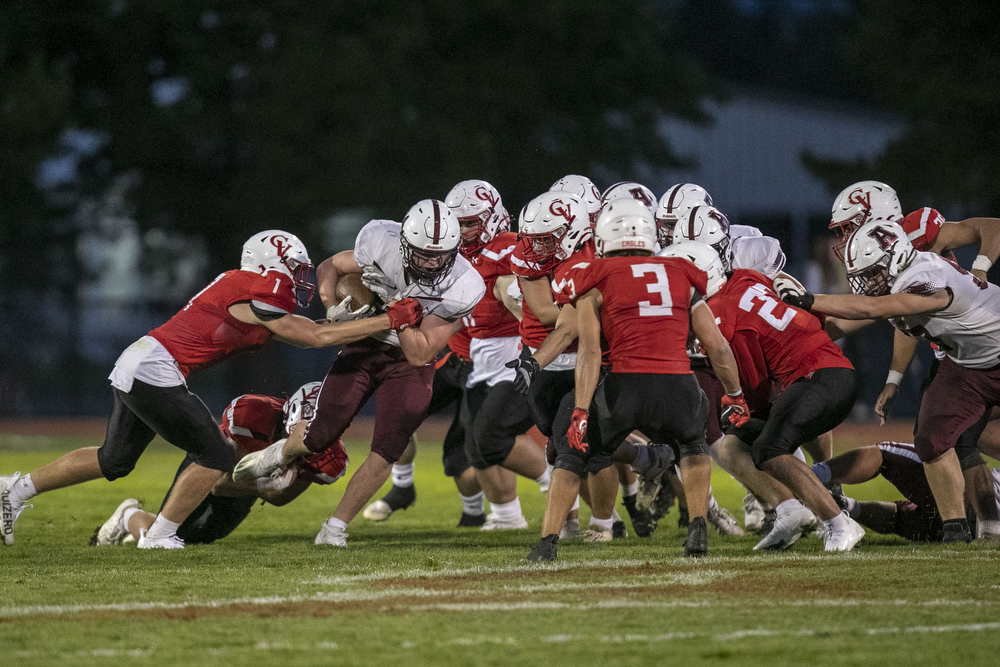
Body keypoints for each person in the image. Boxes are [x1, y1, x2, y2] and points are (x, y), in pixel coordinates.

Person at [0, 230, 420, 548]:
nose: (299, 277)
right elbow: (311, 338)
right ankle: (159, 536)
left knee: (114, 460)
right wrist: (388, 320)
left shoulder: (248, 289)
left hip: (146, 362)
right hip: (155, 368)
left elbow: (304, 333)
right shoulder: (262, 285)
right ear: (269, 264)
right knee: (216, 454)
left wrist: (339, 324)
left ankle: (12, 489)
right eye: (294, 267)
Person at [232, 200, 486, 547]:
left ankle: (335, 527)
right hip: (366, 345)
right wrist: (331, 306)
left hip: (410, 363)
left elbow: (420, 352)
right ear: (404, 244)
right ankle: (281, 454)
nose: (432, 263)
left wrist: (394, 302)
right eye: (423, 254)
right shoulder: (381, 240)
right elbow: (329, 266)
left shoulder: (465, 284)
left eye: (440, 255)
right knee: (319, 436)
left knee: (389, 447)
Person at [527, 200, 751, 562]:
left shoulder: (595, 274)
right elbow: (717, 346)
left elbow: (589, 352)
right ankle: (697, 529)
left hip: (625, 386)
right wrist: (735, 395)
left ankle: (547, 543)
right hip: (678, 383)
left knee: (571, 453)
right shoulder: (681, 271)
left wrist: (581, 410)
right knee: (692, 445)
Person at [779, 219, 1000, 543]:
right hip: (966, 365)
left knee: (973, 436)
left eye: (871, 273)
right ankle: (960, 531)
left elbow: (875, 306)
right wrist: (786, 342)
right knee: (932, 438)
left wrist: (809, 299)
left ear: (894, 258)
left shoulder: (922, 275)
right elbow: (851, 319)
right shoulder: (899, 280)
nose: (866, 281)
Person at [662, 242, 865, 552]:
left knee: (770, 448)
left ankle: (839, 522)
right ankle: (790, 513)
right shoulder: (743, 277)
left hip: (820, 376)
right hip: (821, 370)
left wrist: (741, 405)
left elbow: (754, 386)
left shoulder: (721, 319)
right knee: (733, 445)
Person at [92, 382, 348, 546]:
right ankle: (129, 517)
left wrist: (274, 484)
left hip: (248, 486)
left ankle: (137, 521)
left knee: (200, 538)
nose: (305, 442)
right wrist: (264, 480)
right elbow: (217, 482)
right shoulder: (253, 414)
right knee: (166, 534)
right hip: (209, 465)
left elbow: (278, 499)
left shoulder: (329, 456)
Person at [446, 179, 548, 531]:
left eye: (469, 222)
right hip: (479, 354)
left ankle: (558, 479)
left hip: (513, 347)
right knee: (475, 446)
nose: (462, 231)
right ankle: (507, 516)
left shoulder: (506, 246)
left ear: (492, 217)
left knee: (490, 434)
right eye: (456, 222)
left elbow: (515, 292)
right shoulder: (452, 255)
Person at [811, 440, 1000, 542]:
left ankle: (806, 477)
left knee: (885, 454)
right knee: (899, 518)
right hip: (976, 528)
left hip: (971, 498)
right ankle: (845, 506)